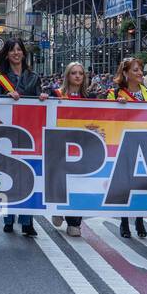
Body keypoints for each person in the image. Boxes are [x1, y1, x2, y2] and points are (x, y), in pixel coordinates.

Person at [0, 39, 46, 238]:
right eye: (12, 50)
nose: (16, 53)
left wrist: (43, 97)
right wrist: (6, 96)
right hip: (6, 129)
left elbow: (40, 97)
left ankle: (27, 221)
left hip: (29, 130)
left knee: (28, 176)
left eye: (19, 50)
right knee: (7, 175)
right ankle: (8, 219)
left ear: (23, 53)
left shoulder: (34, 76)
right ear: (6, 54)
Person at [107, 57, 147, 240]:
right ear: (125, 73)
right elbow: (106, 117)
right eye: (135, 70)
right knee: (125, 184)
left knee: (143, 183)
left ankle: (140, 219)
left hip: (146, 142)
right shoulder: (114, 93)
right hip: (123, 143)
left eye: (140, 69)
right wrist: (115, 107)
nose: (139, 73)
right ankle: (124, 220)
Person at [51, 61, 89, 236]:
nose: (78, 76)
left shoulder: (91, 98)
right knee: (61, 183)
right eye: (74, 73)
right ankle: (58, 208)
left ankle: (75, 223)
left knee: (79, 185)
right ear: (67, 75)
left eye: (80, 73)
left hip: (83, 147)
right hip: (60, 146)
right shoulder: (56, 94)